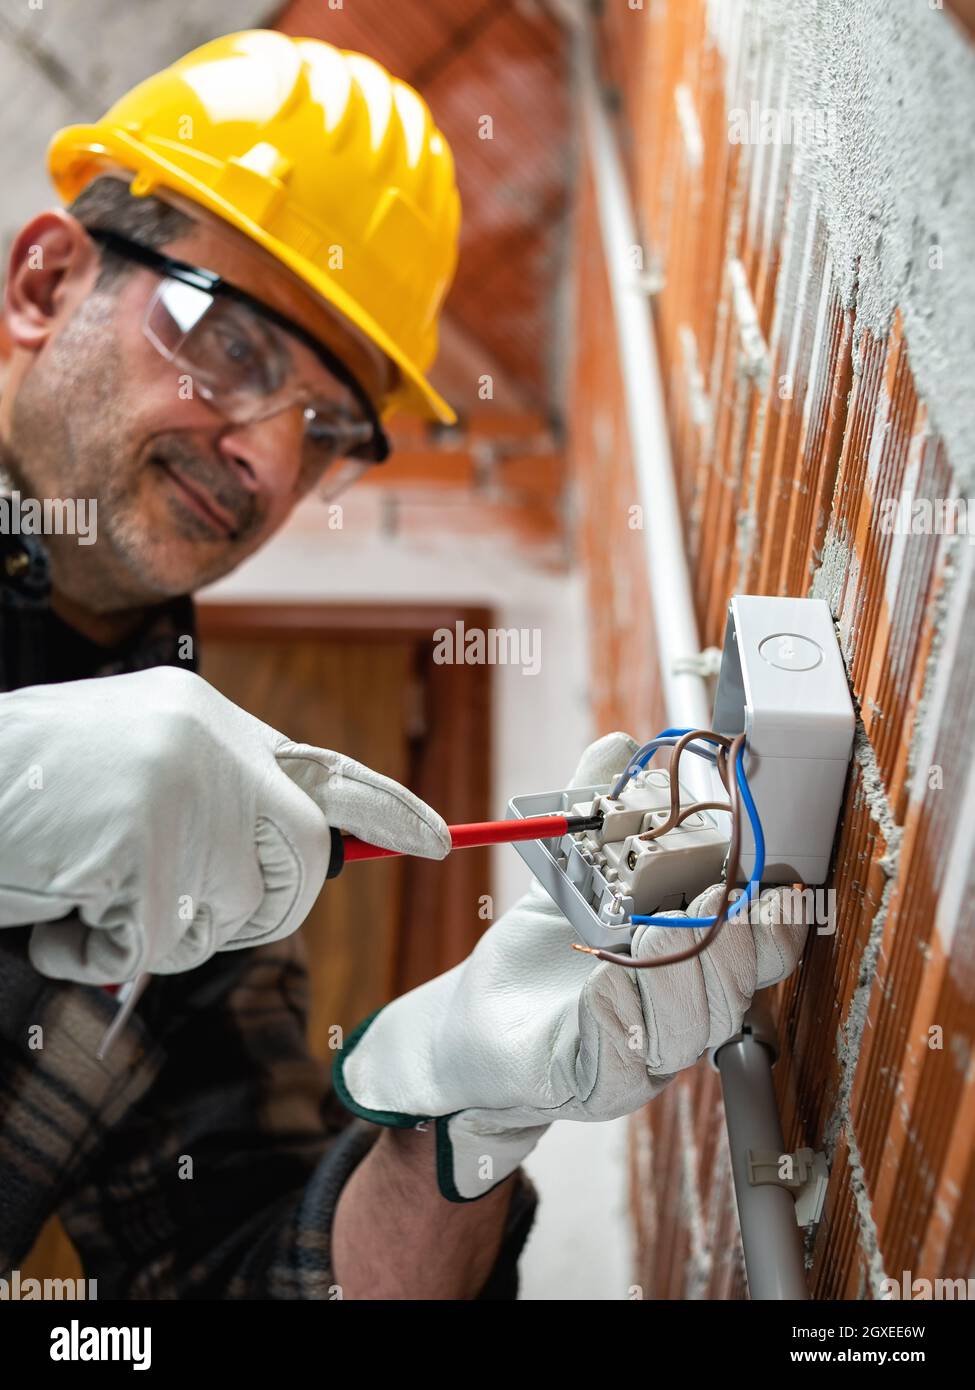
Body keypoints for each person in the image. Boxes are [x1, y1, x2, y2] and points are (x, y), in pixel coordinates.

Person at [0, 31, 806, 1301]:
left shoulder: (204, 867)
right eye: (230, 341)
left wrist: (460, 1124)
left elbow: (250, 1285)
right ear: (46, 283)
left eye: (328, 424)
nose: (265, 456)